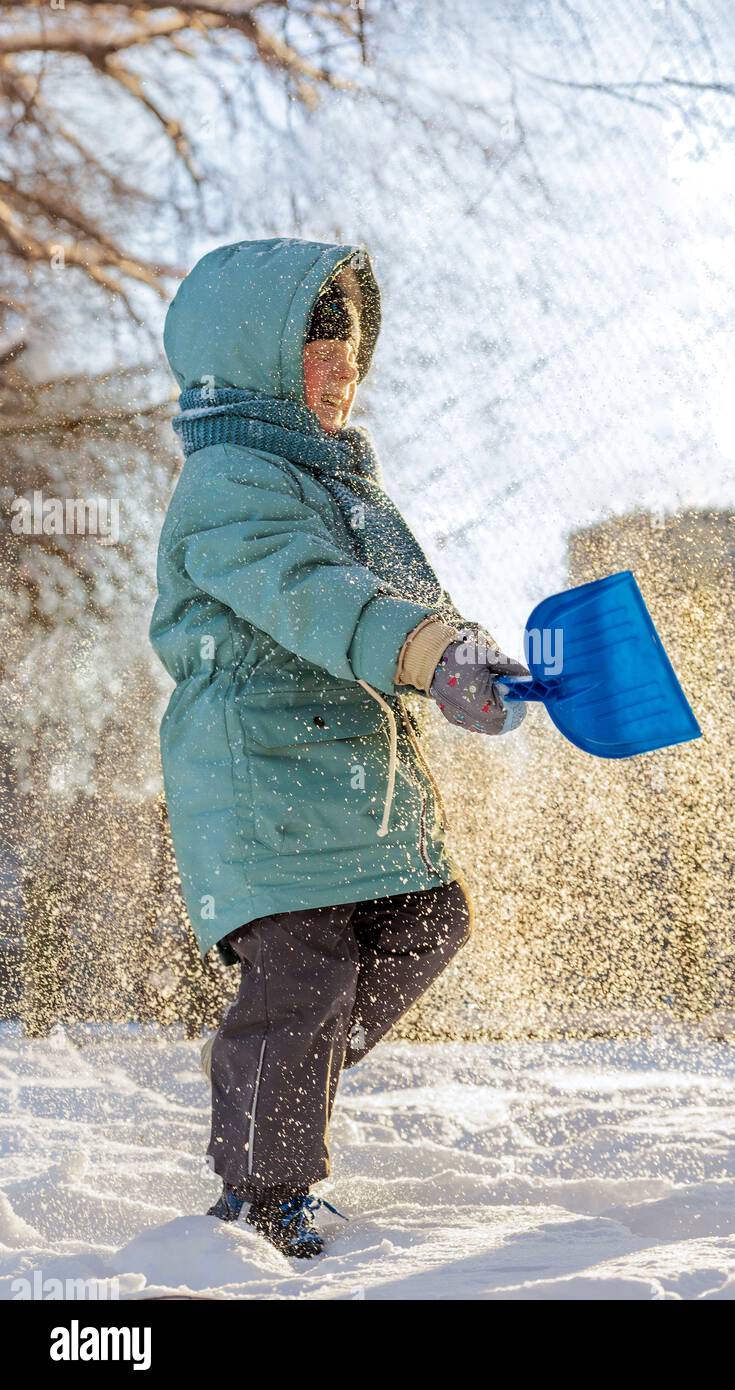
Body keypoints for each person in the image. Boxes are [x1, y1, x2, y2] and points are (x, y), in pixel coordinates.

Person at [150, 238, 527, 1257]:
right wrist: (416, 646)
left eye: (352, 354)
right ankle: (263, 1197)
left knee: (432, 915)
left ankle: (277, 1062)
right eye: (320, 355)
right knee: (307, 978)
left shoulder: (347, 481)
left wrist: (465, 657)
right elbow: (318, 597)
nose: (343, 374)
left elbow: (407, 604)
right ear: (259, 364)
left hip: (357, 781)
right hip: (261, 781)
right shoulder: (230, 484)